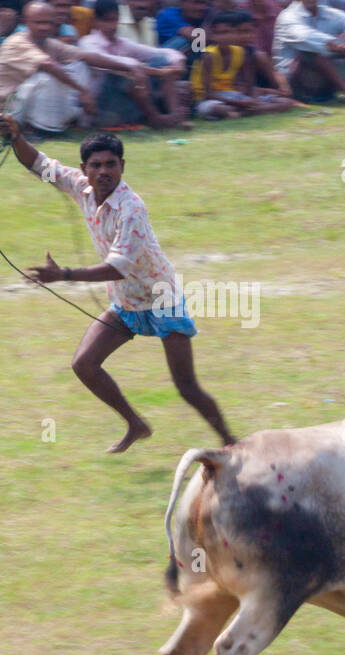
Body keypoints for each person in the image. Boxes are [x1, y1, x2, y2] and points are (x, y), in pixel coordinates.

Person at [0, 117, 236, 453]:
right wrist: (16, 136)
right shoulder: (79, 186)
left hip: (160, 299)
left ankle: (230, 443)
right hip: (126, 303)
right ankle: (135, 424)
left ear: (123, 166)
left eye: (111, 164)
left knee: (186, 387)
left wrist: (63, 274)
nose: (103, 172)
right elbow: (38, 164)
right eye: (96, 165)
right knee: (84, 364)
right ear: (85, 168)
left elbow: (117, 268)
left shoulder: (132, 207)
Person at [0, 1, 158, 132]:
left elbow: (87, 56)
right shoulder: (17, 42)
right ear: (26, 22)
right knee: (47, 77)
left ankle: (59, 124)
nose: (45, 27)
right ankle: (39, 128)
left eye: (48, 23)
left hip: (20, 105)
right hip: (7, 108)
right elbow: (49, 65)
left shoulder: (48, 43)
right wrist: (83, 91)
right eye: (39, 23)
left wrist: (130, 67)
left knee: (79, 65)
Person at [78, 0, 189, 128]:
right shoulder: (88, 42)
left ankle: (175, 117)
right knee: (122, 75)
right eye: (106, 20)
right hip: (99, 110)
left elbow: (162, 52)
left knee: (162, 60)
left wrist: (177, 65)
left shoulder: (122, 43)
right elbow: (107, 62)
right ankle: (156, 118)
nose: (112, 26)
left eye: (115, 20)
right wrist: (151, 71)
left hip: (124, 106)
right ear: (95, 21)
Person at [273, 0, 345, 103]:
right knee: (311, 53)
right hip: (294, 79)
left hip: (325, 71)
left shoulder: (329, 13)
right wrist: (343, 43)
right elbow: (306, 38)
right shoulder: (288, 17)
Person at [191, 8, 291, 115]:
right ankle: (247, 111)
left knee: (285, 102)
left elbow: (250, 86)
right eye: (221, 33)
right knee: (222, 109)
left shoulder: (242, 53)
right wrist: (238, 102)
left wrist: (253, 100)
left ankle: (253, 110)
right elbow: (208, 94)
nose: (226, 37)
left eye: (229, 32)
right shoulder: (209, 56)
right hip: (213, 99)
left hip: (234, 96)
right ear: (213, 36)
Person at [155, 0, 210, 65]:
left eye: (205, 3)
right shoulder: (167, 14)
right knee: (183, 40)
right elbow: (197, 37)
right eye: (196, 3)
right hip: (164, 64)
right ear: (182, 3)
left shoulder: (206, 13)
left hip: (193, 64)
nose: (201, 7)